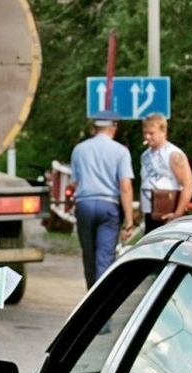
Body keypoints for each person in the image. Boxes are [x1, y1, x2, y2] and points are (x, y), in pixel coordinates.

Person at [69, 110, 134, 291]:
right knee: (104, 258)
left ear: (94, 128)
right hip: (108, 207)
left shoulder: (79, 149)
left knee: (89, 257)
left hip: (85, 205)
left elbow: (74, 182)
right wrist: (129, 220)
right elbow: (125, 187)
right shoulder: (121, 152)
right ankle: (101, 307)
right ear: (113, 127)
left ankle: (90, 299)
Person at [139, 113, 192, 233]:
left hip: (169, 213)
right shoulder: (144, 155)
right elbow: (145, 184)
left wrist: (178, 214)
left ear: (163, 131)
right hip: (151, 213)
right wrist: (139, 211)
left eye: (151, 133)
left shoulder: (173, 154)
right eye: (145, 133)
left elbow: (188, 185)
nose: (147, 137)